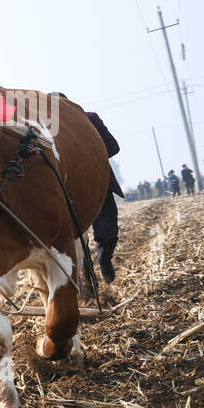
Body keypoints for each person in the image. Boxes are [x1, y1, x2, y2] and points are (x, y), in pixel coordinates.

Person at [84, 111, 123, 282]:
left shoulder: (90, 119)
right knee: (73, 242)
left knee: (109, 233)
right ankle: (88, 278)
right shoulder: (44, 125)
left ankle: (104, 259)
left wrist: (82, 158)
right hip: (64, 190)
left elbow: (113, 146)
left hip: (99, 184)